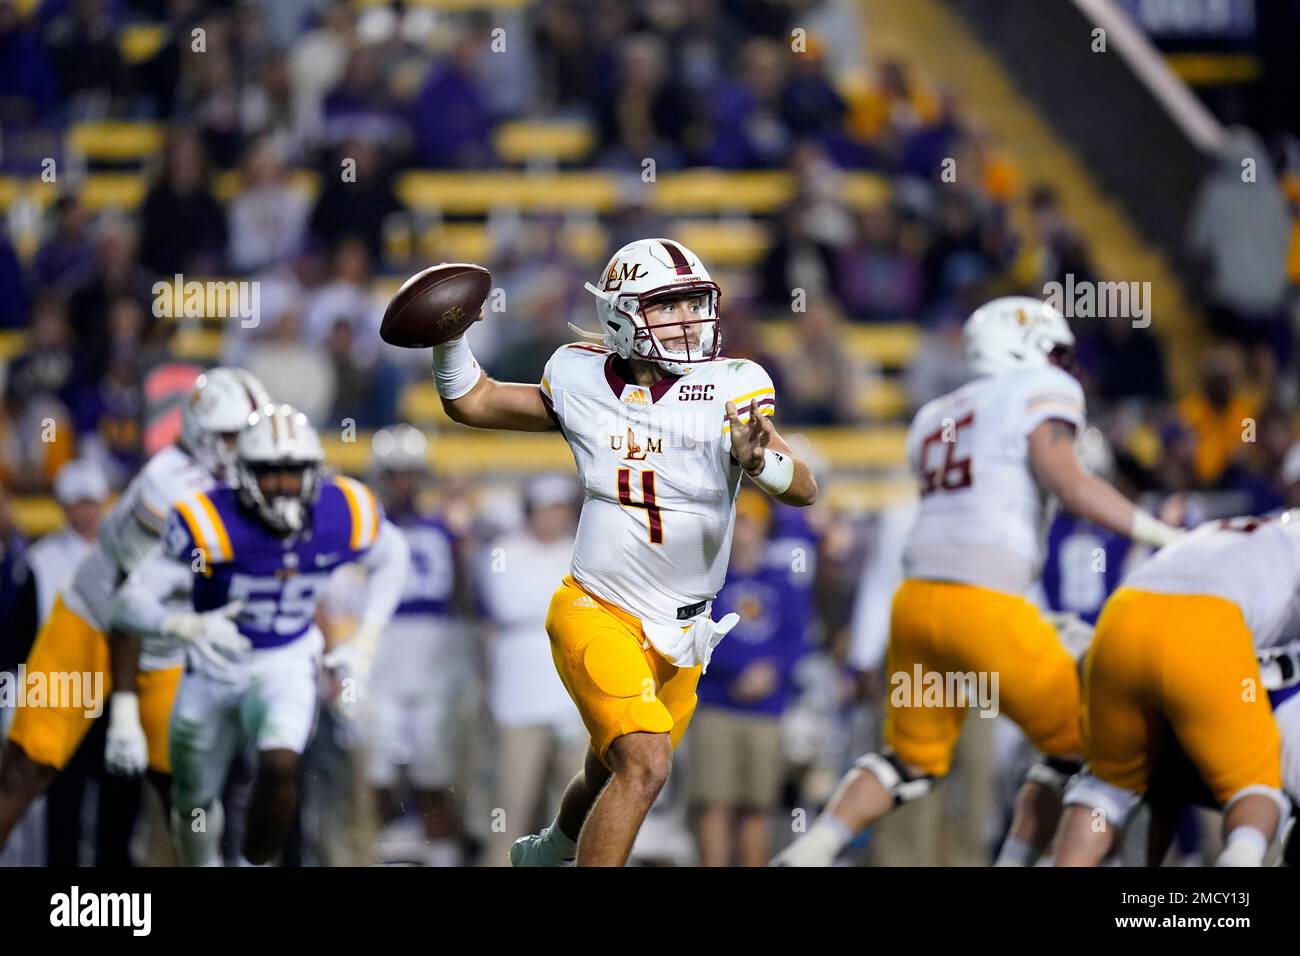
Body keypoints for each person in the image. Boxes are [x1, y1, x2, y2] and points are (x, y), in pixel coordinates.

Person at [430, 238, 818, 866]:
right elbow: (475, 401)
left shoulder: (735, 385)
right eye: (668, 307)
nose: (690, 319)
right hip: (598, 609)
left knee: (606, 769)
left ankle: (549, 849)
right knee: (645, 765)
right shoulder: (579, 376)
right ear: (621, 318)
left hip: (684, 633)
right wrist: (447, 340)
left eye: (695, 302)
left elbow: (804, 489)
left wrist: (760, 461)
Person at [773, 296, 1181, 867]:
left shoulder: (935, 414)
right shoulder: (1038, 390)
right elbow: (1072, 485)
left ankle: (812, 849)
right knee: (1095, 752)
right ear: (1027, 345)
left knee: (907, 764)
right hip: (984, 604)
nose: (1063, 366)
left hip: (915, 607)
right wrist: (1166, 535)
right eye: (1056, 352)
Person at [112, 404, 409, 866]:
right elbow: (129, 598)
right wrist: (180, 623)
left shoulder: (341, 509)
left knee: (281, 764)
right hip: (210, 667)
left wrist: (366, 641)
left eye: (294, 472)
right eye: (271, 473)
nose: (284, 485)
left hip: (285, 660)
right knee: (193, 800)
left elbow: (394, 555)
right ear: (244, 473)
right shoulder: (206, 518)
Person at [0, 368, 269, 854]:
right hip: (96, 619)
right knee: (27, 766)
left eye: (247, 434)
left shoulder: (256, 486)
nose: (241, 447)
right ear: (201, 431)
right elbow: (127, 598)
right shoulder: (168, 485)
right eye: (232, 436)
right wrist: (123, 711)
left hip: (168, 639)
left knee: (187, 794)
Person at [1054, 513, 1296, 867]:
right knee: (1257, 791)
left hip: (1122, 618)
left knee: (1104, 790)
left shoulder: (1235, 528)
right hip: (1205, 626)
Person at [362, 424, 472, 867]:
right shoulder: (366, 529)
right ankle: (385, 845)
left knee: (434, 767)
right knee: (378, 767)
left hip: (432, 659)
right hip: (381, 657)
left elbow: (464, 599)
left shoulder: (445, 528)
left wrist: (464, 544)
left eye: (410, 473)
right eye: (395, 474)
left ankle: (441, 850)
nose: (403, 483)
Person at [689, 488, 808, 866]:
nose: (744, 532)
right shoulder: (708, 579)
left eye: (751, 524)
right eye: (738, 524)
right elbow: (694, 633)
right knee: (714, 803)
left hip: (766, 709)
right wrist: (736, 672)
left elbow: (795, 636)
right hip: (716, 705)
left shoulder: (781, 581)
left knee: (759, 805)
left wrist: (772, 672)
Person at [478, 473, 588, 867]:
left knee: (581, 808)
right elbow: (508, 603)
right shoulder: (504, 549)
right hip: (519, 703)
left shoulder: (581, 550)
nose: (554, 518)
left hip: (573, 702)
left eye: (560, 508)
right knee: (512, 804)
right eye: (546, 509)